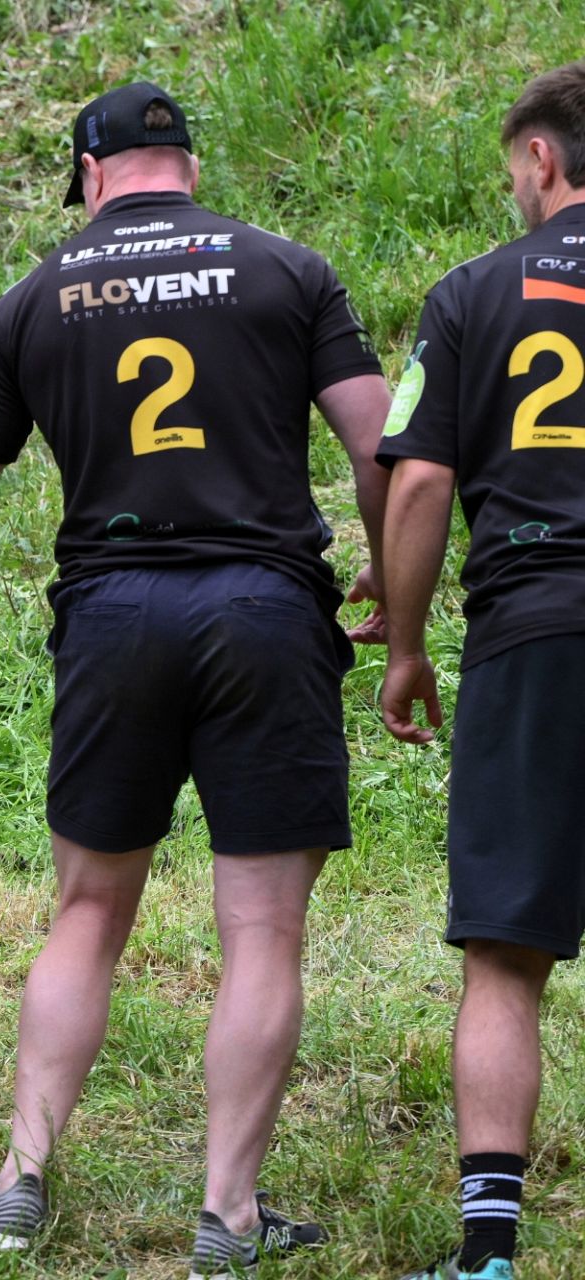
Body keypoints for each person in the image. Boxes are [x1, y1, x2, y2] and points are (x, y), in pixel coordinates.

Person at [0, 82, 392, 1276]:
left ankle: (19, 1183)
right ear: (189, 165)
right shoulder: (290, 271)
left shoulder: (34, 299)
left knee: (87, 911)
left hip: (112, 617)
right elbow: (377, 445)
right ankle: (227, 1217)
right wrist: (399, 583)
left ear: (90, 176)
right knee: (261, 930)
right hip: (265, 611)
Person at [377, 60, 585, 1280]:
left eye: (515, 168)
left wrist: (406, 643)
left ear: (542, 159)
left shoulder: (472, 293)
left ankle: (490, 1256)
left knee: (506, 955)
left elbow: (418, 482)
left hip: (537, 628)